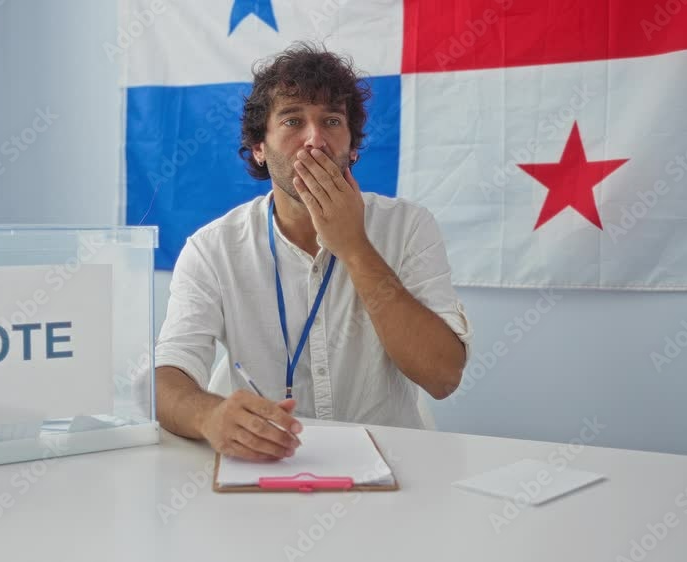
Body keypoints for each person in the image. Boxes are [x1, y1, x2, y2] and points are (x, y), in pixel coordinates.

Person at [154, 43, 472, 461]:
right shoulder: (212, 248)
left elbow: (443, 376)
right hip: (265, 466)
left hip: (392, 464)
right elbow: (164, 381)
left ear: (352, 147)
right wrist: (209, 415)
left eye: (331, 121)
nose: (314, 139)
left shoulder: (409, 227)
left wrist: (355, 248)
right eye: (292, 120)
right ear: (259, 149)